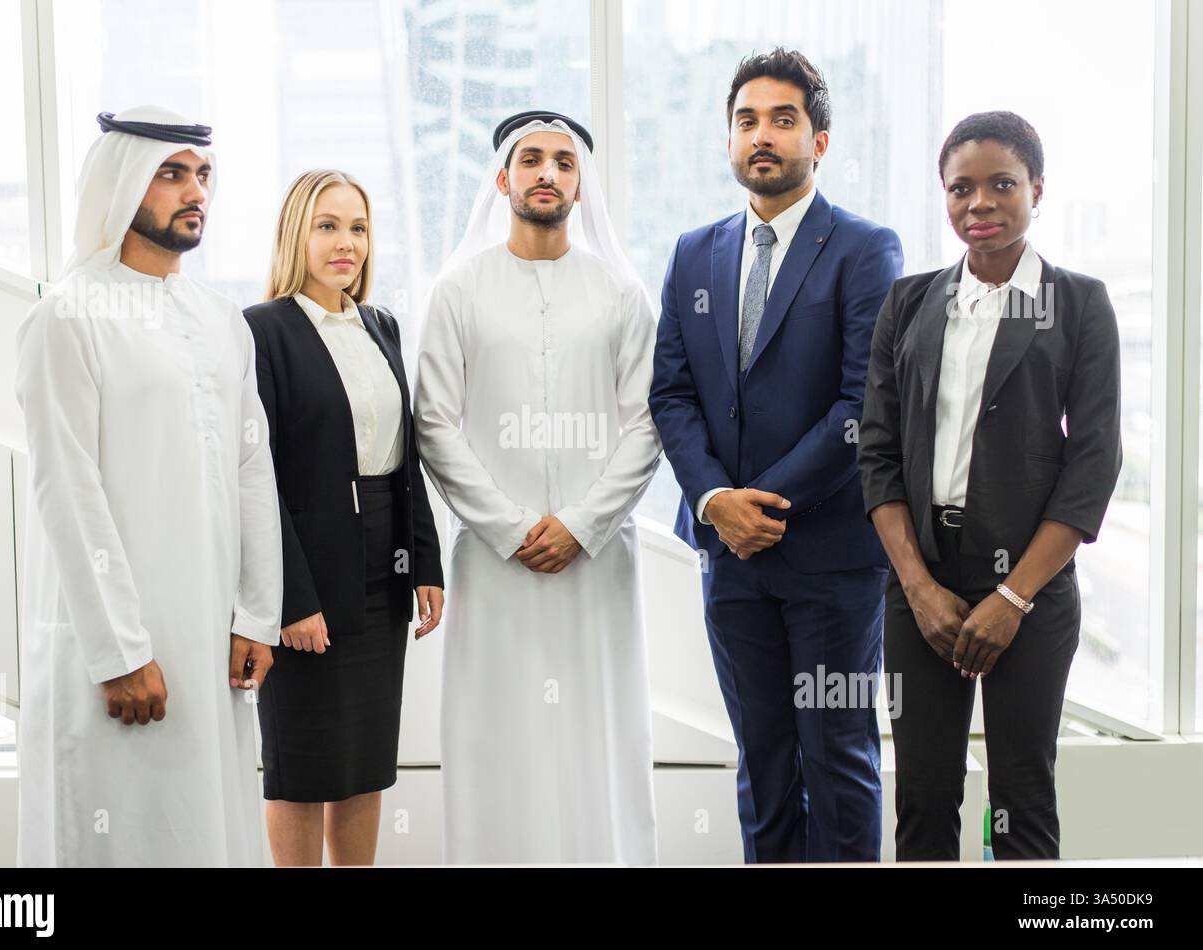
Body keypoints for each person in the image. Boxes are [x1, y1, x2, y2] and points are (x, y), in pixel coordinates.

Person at [649, 50, 903, 863]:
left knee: (839, 761)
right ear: (729, 137)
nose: (763, 135)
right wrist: (714, 501)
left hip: (832, 560)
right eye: (747, 120)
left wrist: (757, 502)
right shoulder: (696, 252)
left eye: (783, 119)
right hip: (730, 560)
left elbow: (862, 406)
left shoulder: (866, 249)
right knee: (760, 762)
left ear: (819, 141)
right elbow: (673, 394)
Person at [15, 106, 283, 867]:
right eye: (171, 174)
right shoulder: (66, 317)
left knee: (206, 827)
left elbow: (250, 467)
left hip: (210, 637)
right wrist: (120, 650)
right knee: (117, 826)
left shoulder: (220, 318)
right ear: (124, 182)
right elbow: (67, 491)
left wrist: (257, 614)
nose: (193, 190)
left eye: (201, 175)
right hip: (119, 647)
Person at [858, 111, 1122, 860]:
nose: (979, 203)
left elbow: (1093, 464)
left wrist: (1012, 599)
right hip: (924, 587)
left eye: (1001, 184)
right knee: (923, 798)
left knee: (1022, 798)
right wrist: (918, 586)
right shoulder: (908, 302)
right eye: (960, 188)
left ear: (1037, 190)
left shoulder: (1079, 304)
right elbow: (876, 454)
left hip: (1032, 590)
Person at [414, 110, 662, 864]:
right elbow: (434, 422)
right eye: (531, 160)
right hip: (495, 567)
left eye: (563, 161)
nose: (547, 173)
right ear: (503, 179)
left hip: (597, 565)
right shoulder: (458, 289)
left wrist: (582, 523)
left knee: (599, 738)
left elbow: (647, 424)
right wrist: (513, 526)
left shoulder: (621, 293)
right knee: (500, 739)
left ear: (581, 185)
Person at [243, 170, 444, 866]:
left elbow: (405, 455)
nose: (346, 243)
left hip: (381, 570)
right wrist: (290, 598)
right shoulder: (262, 331)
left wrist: (425, 561)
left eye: (357, 227)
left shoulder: (380, 324)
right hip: (306, 573)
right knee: (299, 767)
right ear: (296, 233)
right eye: (327, 225)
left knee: (363, 761)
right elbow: (255, 478)